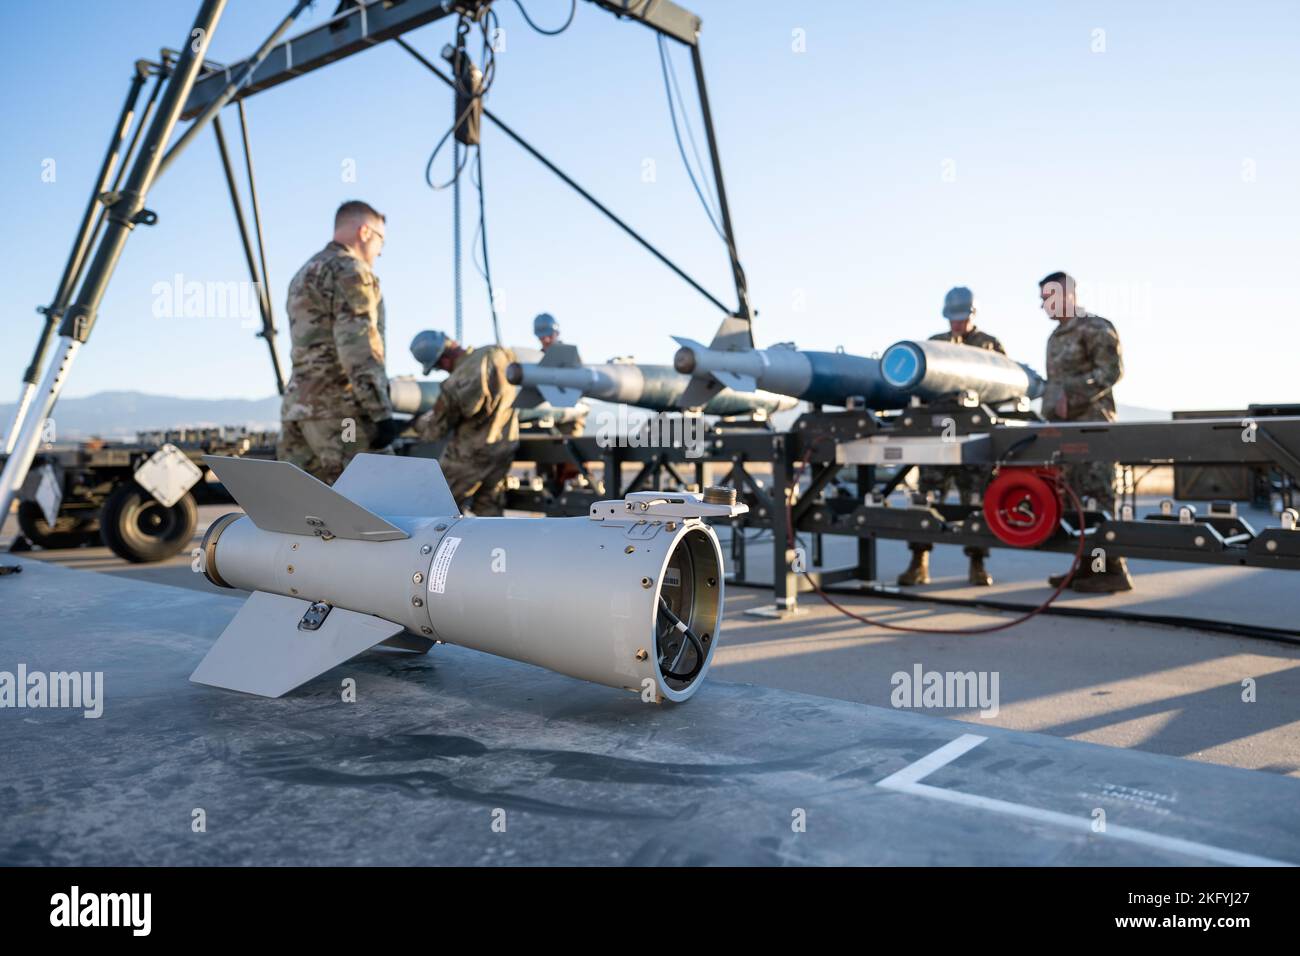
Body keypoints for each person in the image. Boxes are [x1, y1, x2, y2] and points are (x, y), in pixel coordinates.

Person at [278, 200, 400, 483]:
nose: (380, 252)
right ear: (365, 232)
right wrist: (381, 413)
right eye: (381, 240)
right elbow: (358, 347)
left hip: (298, 410)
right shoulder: (351, 271)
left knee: (306, 511)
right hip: (342, 414)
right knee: (381, 500)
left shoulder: (304, 273)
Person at [898, 286, 1004, 587]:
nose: (956, 324)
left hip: (975, 439)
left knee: (977, 502)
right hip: (937, 440)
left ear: (972, 314)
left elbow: (1001, 391)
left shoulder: (990, 347)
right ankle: (919, 562)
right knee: (925, 498)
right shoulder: (935, 345)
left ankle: (977, 563)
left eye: (961, 318)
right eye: (952, 318)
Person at [1038, 271, 1133, 593]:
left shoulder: (1095, 327)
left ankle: (1114, 571)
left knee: (1098, 501)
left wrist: (1072, 395)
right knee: (1073, 502)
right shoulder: (1056, 337)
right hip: (1065, 432)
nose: (1044, 305)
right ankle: (1085, 568)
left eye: (1048, 297)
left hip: (1094, 428)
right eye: (1042, 299)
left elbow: (1111, 371)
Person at [410, 330, 519, 515]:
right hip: (504, 448)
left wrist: (416, 425)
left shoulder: (456, 382)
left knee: (431, 508)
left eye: (438, 367)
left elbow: (437, 428)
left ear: (443, 360)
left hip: (470, 455)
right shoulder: (497, 352)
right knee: (490, 510)